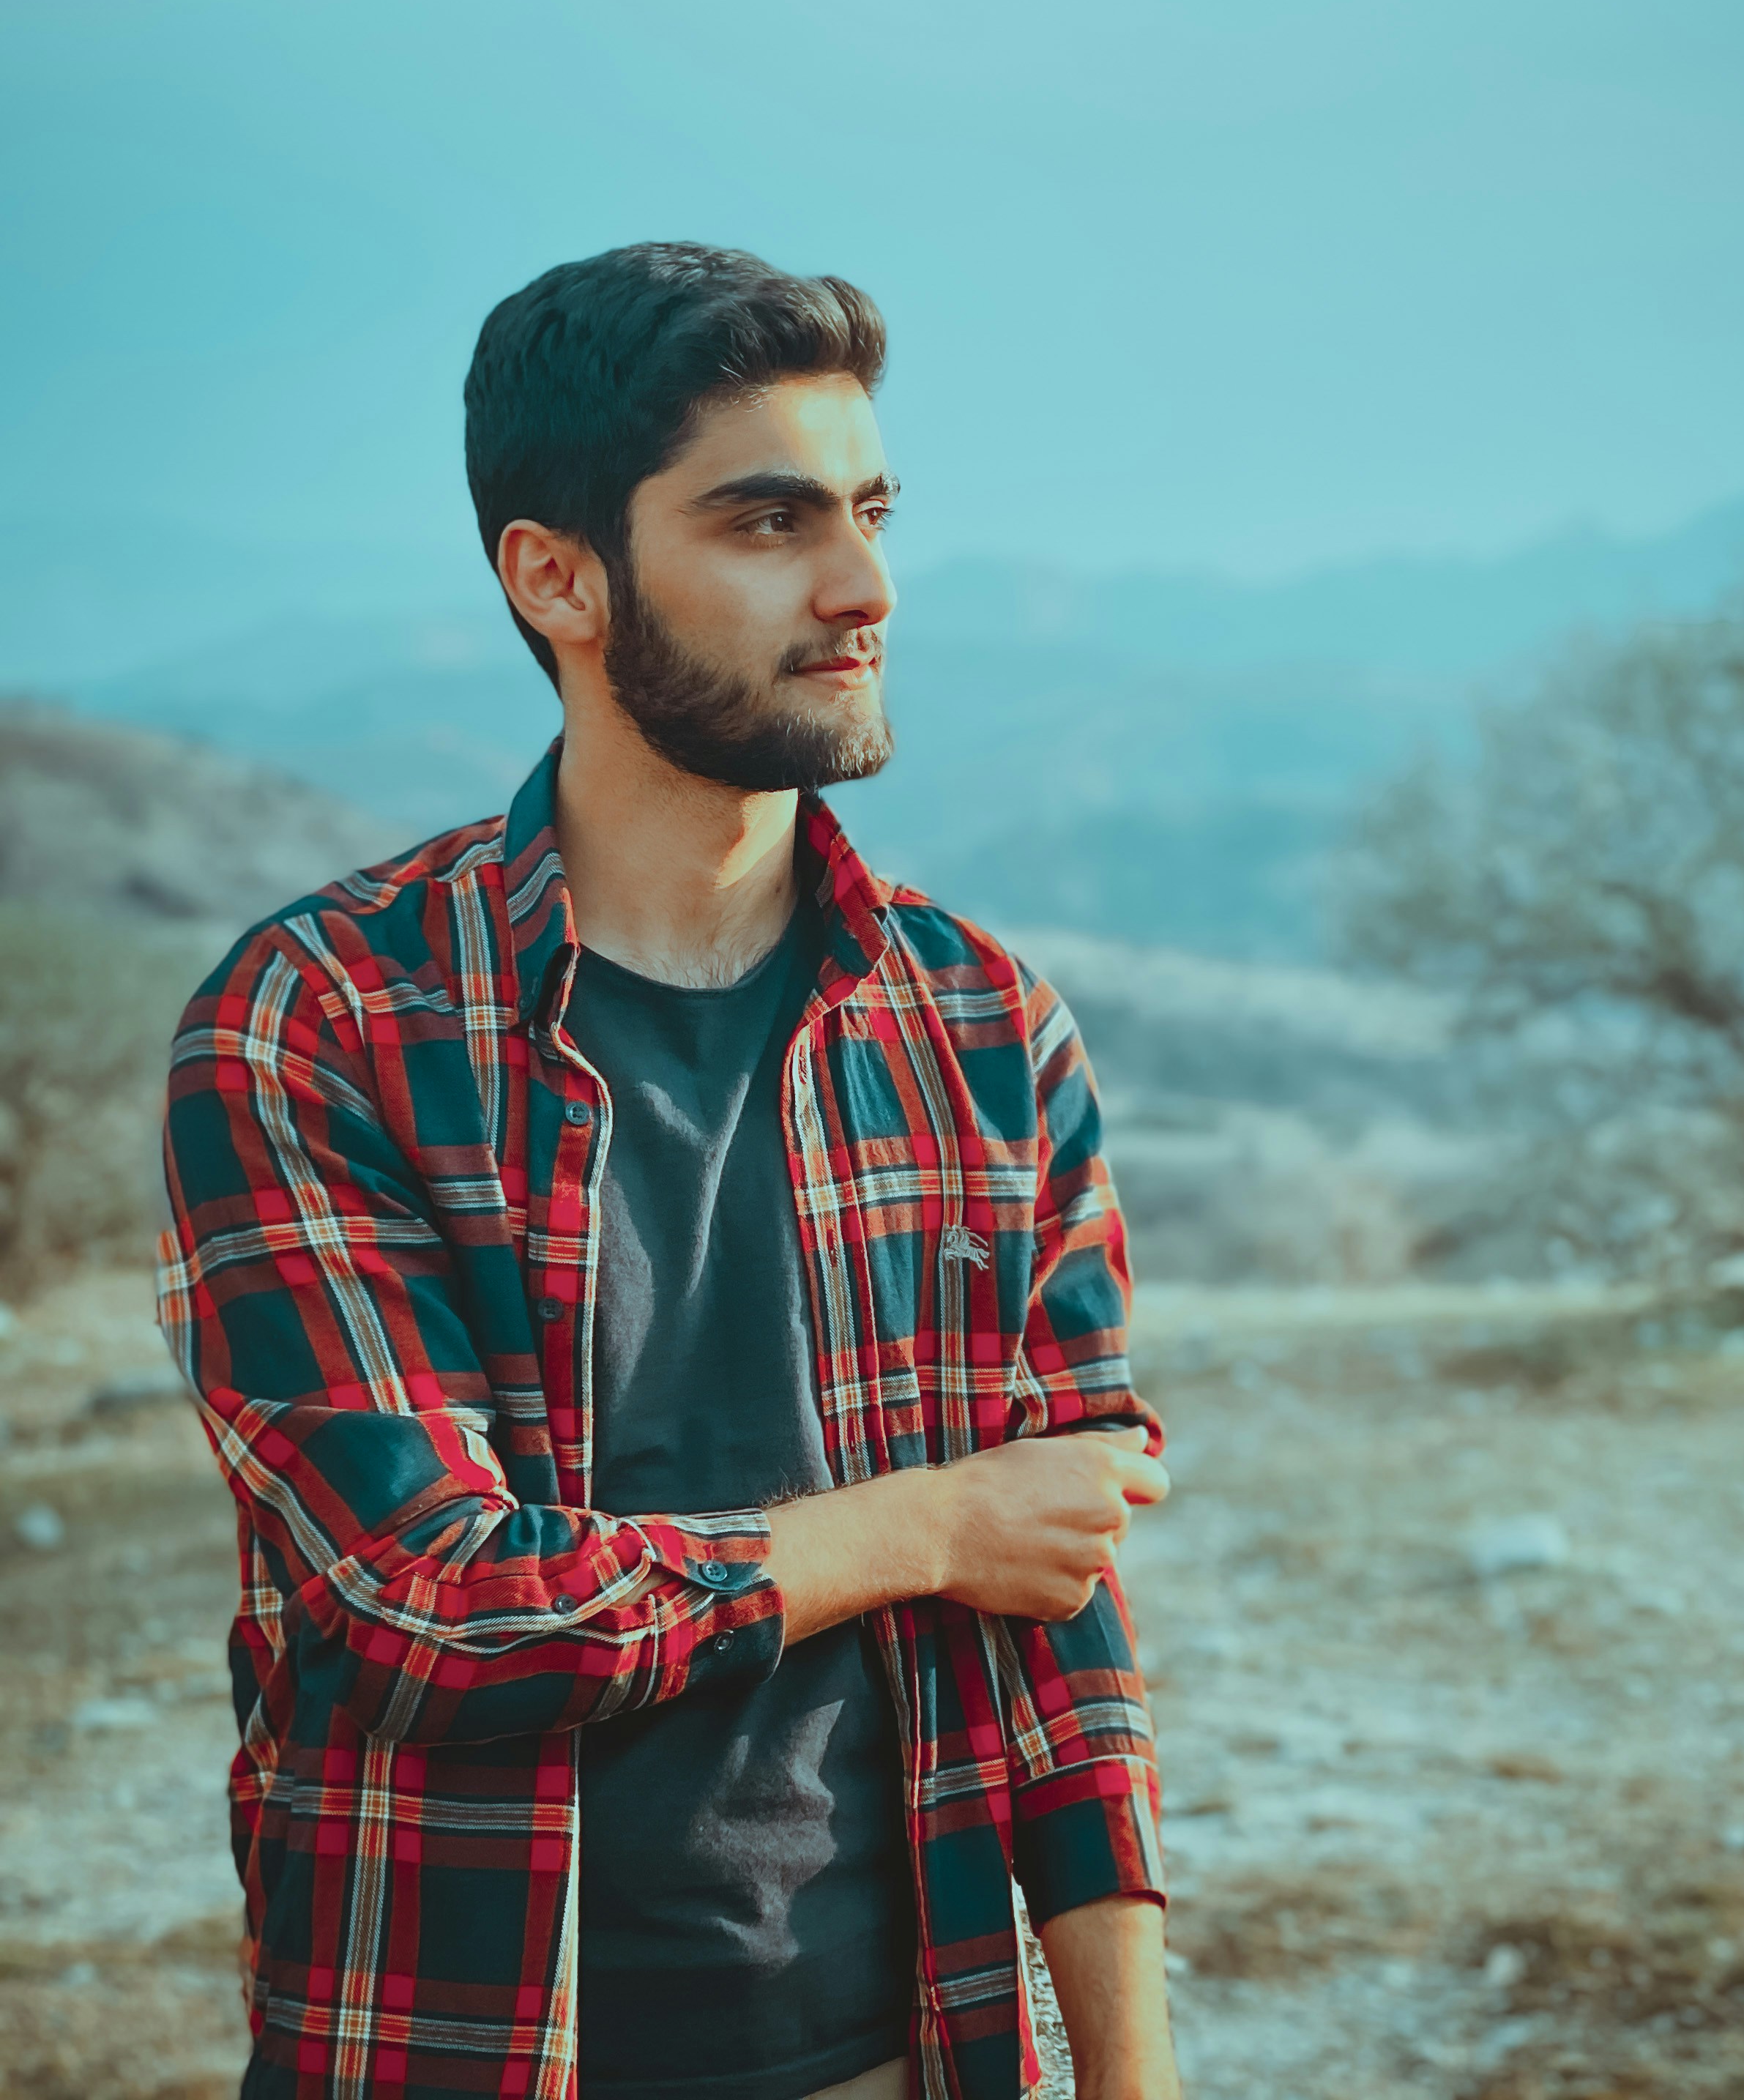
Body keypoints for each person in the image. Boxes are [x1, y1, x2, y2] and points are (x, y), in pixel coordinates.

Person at [157, 243, 1177, 2100]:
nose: (861, 587)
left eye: (870, 512)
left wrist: (1130, 2074)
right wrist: (918, 1526)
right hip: (466, 2049)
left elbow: (1066, 1612)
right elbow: (422, 1610)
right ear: (557, 577)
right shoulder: (319, 1022)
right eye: (768, 521)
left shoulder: (981, 1023)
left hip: (911, 2045)